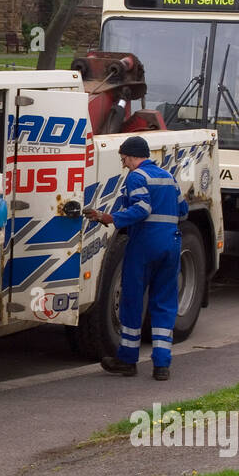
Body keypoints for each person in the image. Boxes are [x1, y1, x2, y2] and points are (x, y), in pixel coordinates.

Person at [83, 135, 188, 381]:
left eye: (124, 159)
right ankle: (162, 365)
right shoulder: (168, 177)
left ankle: (128, 359)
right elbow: (182, 210)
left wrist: (108, 218)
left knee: (132, 298)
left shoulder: (137, 176)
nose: (124, 164)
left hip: (145, 244)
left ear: (131, 156)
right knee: (164, 301)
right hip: (171, 244)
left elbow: (142, 209)